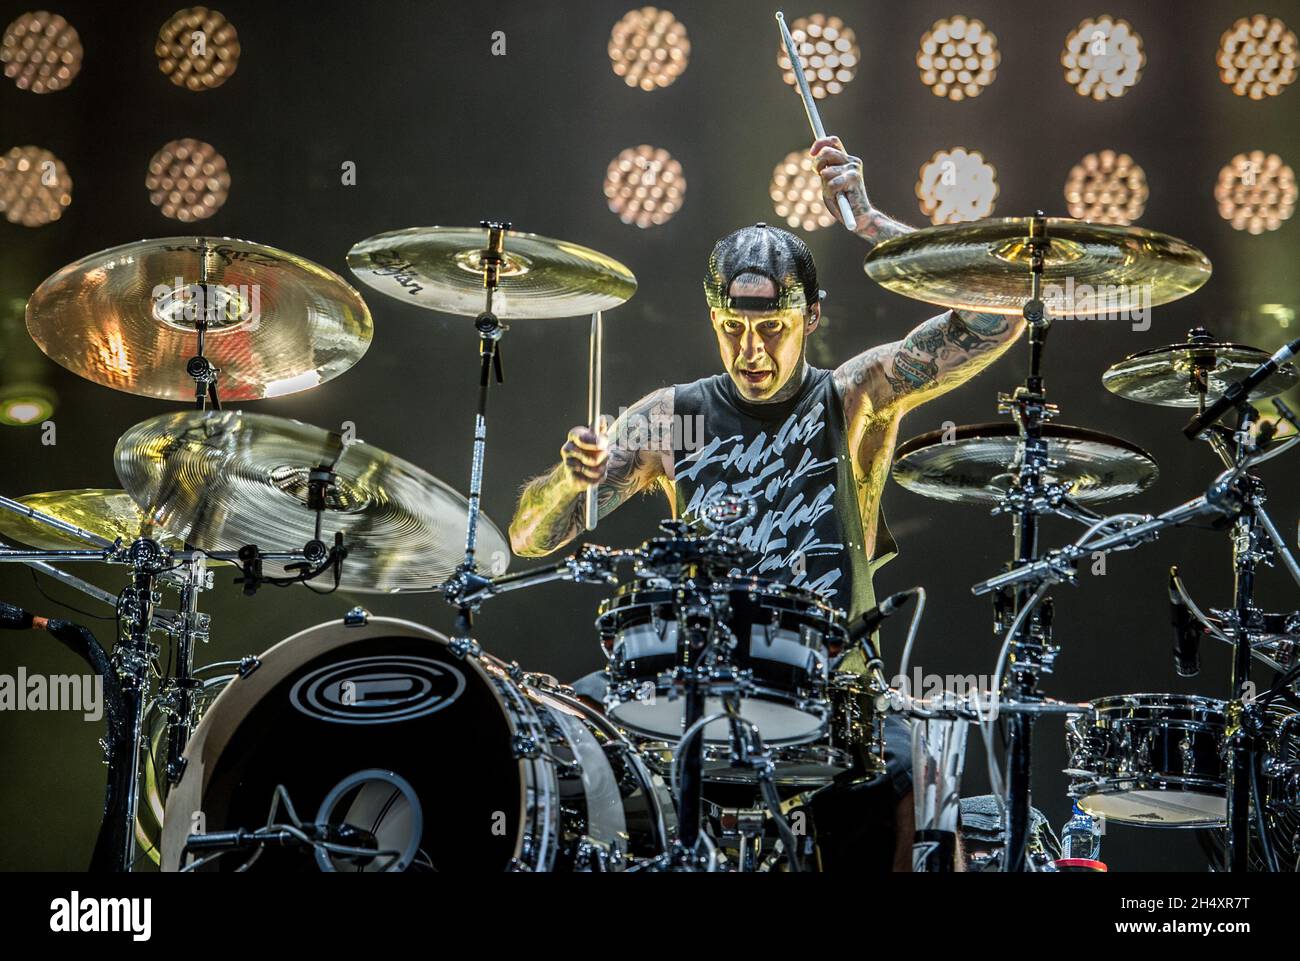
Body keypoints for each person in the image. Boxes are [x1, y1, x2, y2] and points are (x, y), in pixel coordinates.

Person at [509, 135, 1025, 870]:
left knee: (919, 767)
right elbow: (528, 537)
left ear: (810, 316)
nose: (751, 350)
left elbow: (996, 314)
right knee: (555, 728)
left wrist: (872, 223)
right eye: (733, 329)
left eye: (772, 329)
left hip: (836, 684)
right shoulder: (670, 416)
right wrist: (569, 479)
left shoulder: (854, 396)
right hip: (694, 680)